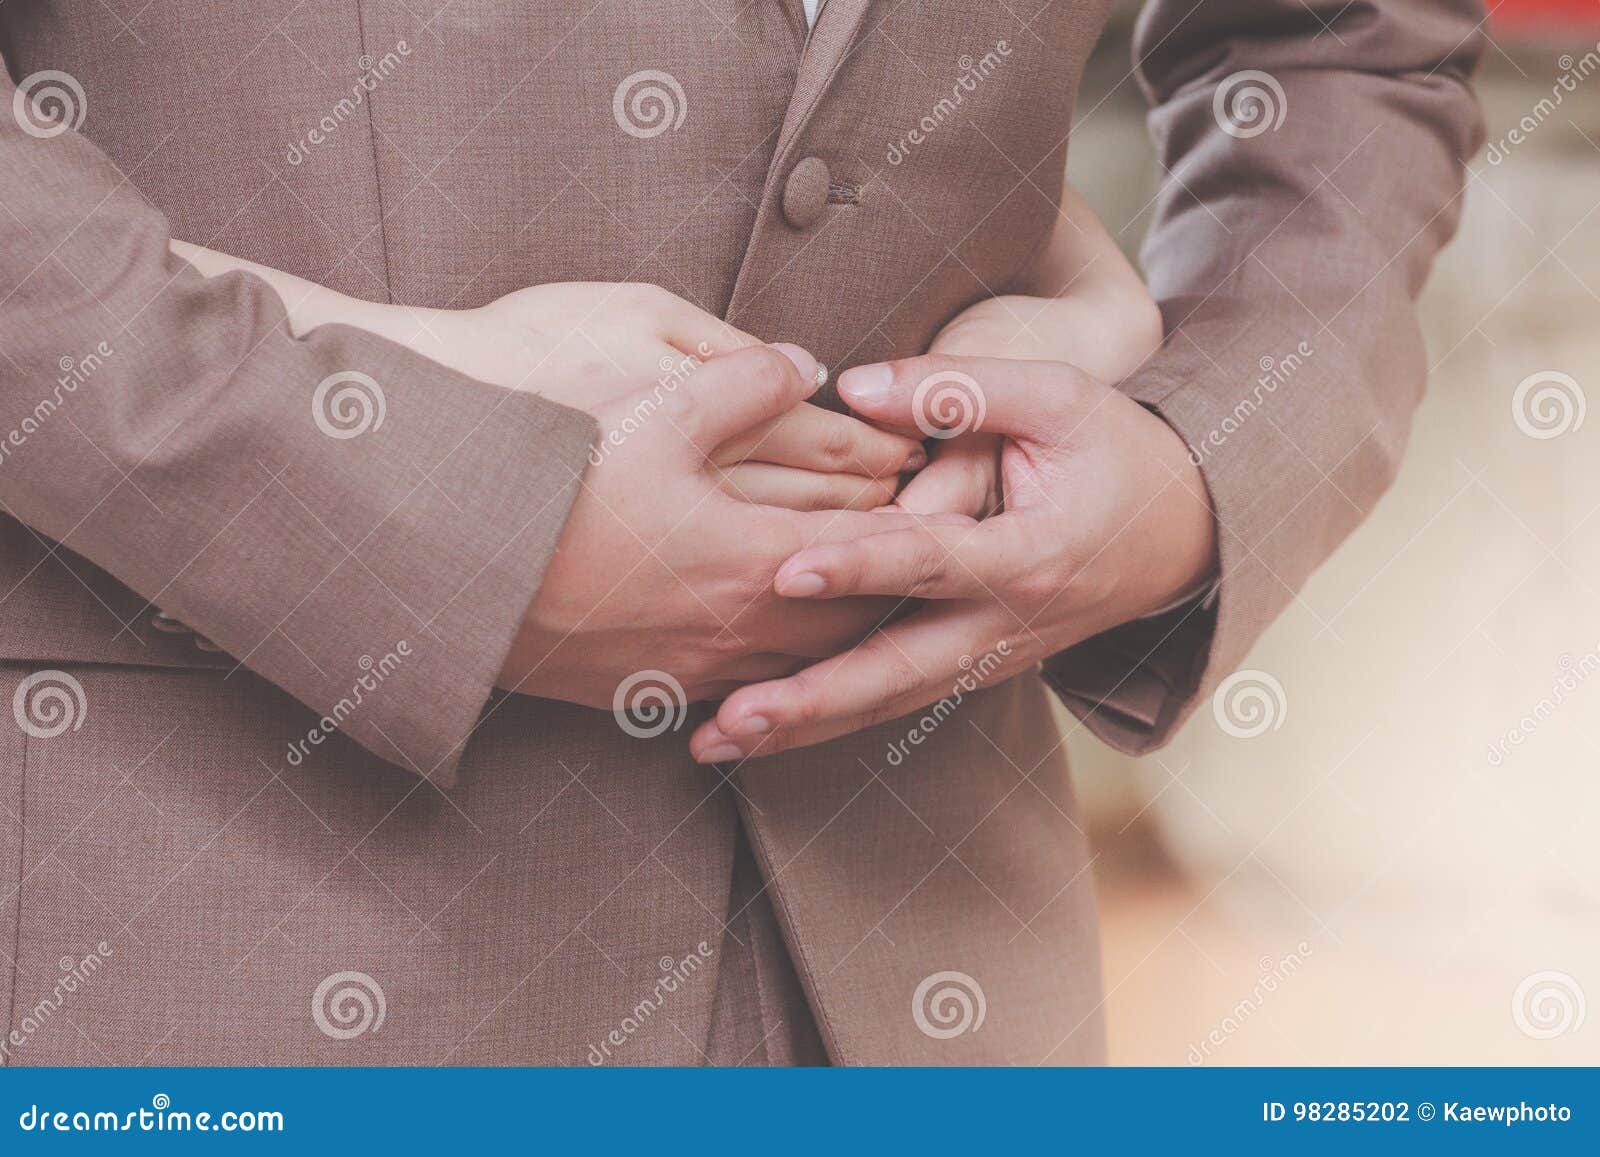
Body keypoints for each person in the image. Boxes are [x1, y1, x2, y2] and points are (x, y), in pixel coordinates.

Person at [0, 0, 1483, 1064]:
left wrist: (1200, 451)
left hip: (938, 952)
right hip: (217, 930)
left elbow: (1351, 41)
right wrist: (417, 509)